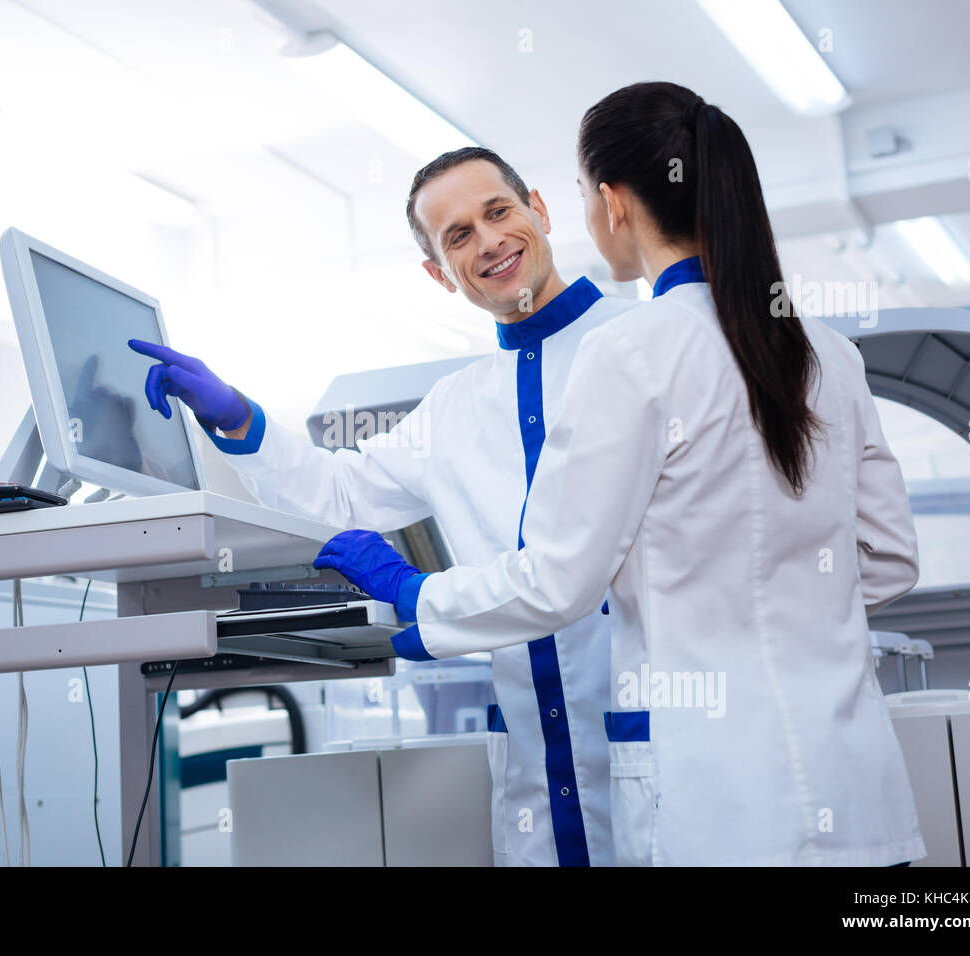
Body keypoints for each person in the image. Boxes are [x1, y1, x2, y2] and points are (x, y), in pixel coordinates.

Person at [314, 82, 927, 866]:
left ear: (611, 203)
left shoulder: (629, 352)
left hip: (720, 812)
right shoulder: (828, 354)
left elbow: (559, 583)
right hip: (859, 797)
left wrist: (413, 592)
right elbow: (890, 558)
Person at [128, 147, 638, 867]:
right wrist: (239, 418)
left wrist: (415, 594)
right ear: (439, 273)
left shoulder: (642, 345)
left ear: (539, 210)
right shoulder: (455, 409)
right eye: (457, 235)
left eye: (498, 212)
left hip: (655, 758)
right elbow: (341, 493)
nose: (488, 241)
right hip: (536, 777)